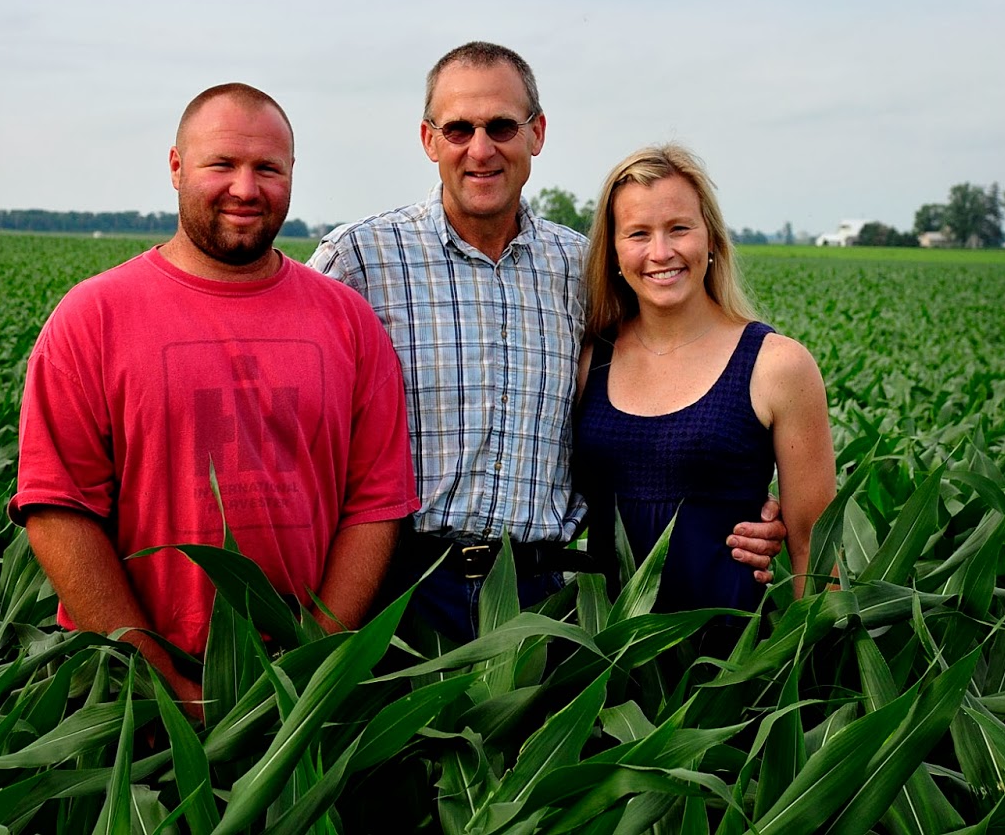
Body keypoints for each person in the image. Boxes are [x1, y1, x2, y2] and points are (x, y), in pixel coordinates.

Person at [309, 42, 787, 641]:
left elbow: (665, 388)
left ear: (536, 133)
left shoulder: (583, 270)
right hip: (397, 592)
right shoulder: (358, 261)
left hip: (541, 603)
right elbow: (292, 429)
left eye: (502, 126)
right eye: (458, 128)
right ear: (429, 140)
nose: (480, 148)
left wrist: (743, 503)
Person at [12, 84, 418, 712]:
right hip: (130, 695)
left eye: (267, 169)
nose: (245, 189)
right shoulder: (92, 318)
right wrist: (159, 679)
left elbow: (376, 502)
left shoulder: (348, 322)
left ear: (291, 175)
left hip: (300, 689)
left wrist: (313, 661)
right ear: (176, 166)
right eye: (222, 165)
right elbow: (58, 510)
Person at [574, 144, 836, 625]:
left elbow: (815, 551)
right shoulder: (591, 360)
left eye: (679, 228)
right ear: (613, 251)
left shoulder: (776, 365)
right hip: (604, 660)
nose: (661, 252)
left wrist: (812, 674)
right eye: (638, 234)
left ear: (711, 239)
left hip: (727, 665)